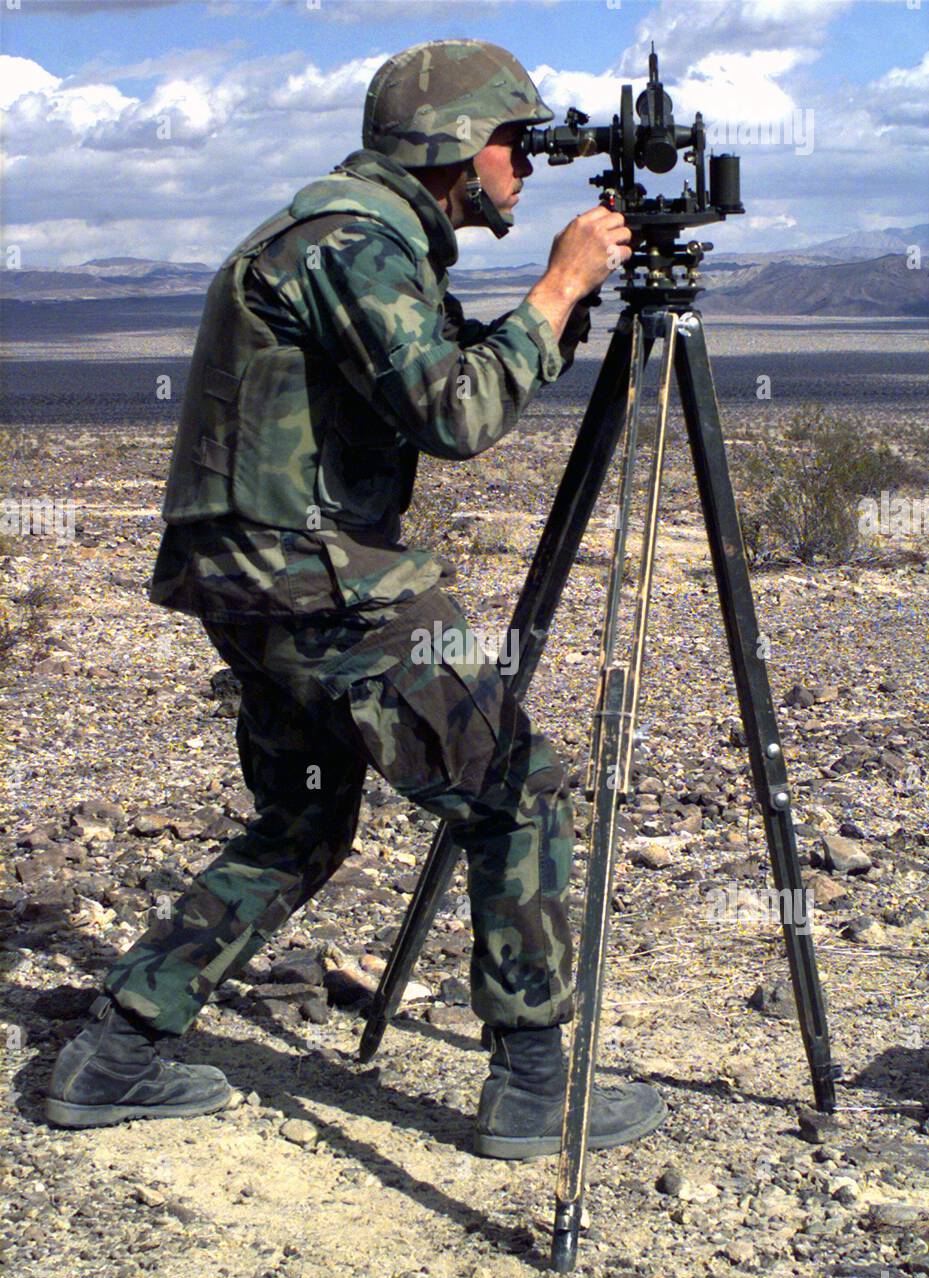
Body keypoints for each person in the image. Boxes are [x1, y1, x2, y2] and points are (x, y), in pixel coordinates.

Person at [46, 39, 667, 1159]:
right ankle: (532, 1089)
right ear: (445, 146)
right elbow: (455, 413)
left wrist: (555, 316)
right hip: (318, 580)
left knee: (303, 818)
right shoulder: (349, 242)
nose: (523, 168)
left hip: (263, 582)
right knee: (515, 787)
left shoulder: (349, 235)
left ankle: (115, 1053)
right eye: (508, 142)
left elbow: (428, 378)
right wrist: (559, 286)